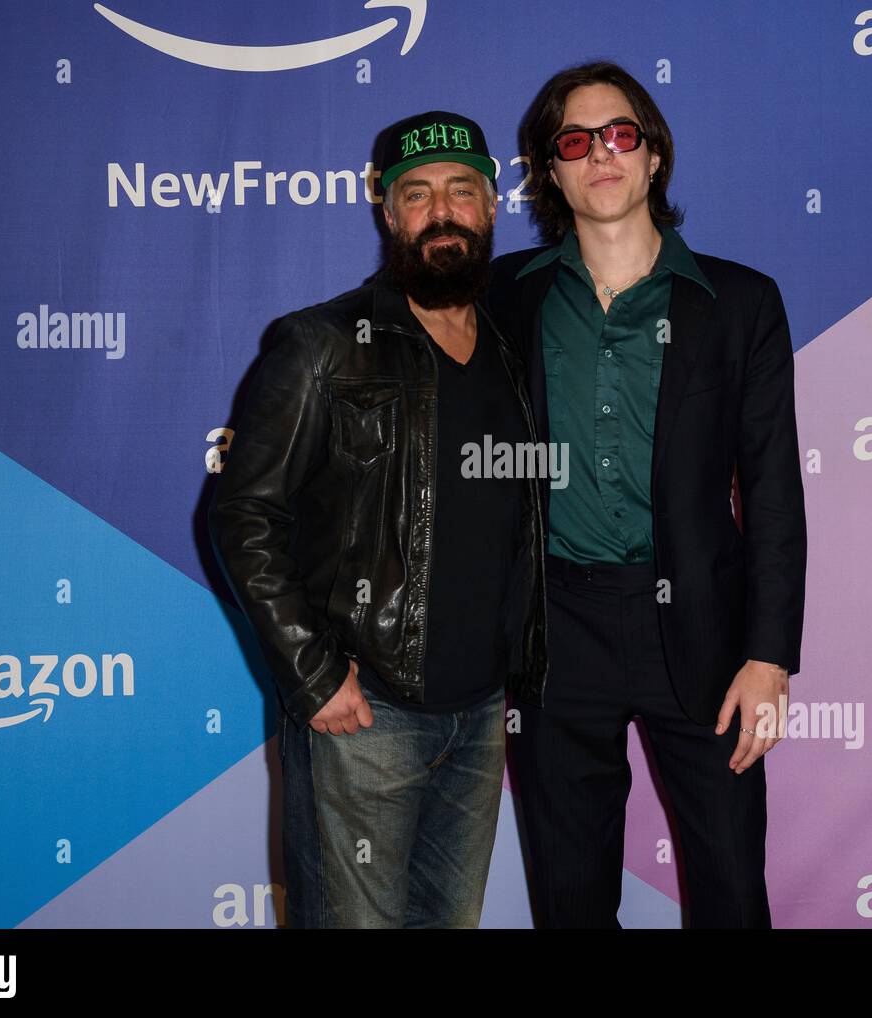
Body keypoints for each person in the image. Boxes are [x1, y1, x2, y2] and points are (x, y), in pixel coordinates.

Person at [208, 110, 547, 928]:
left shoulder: (517, 349)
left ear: (491, 205)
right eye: (417, 194)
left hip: (479, 717)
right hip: (365, 717)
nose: (441, 212)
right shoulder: (322, 344)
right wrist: (314, 674)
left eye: (462, 191)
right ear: (386, 212)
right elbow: (242, 514)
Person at [486, 62, 807, 928]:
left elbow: (773, 490)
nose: (602, 155)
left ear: (654, 154)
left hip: (702, 637)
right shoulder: (503, 298)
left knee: (734, 896)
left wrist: (769, 657)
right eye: (575, 141)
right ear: (549, 171)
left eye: (622, 134)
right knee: (571, 903)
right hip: (556, 635)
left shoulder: (740, 303)